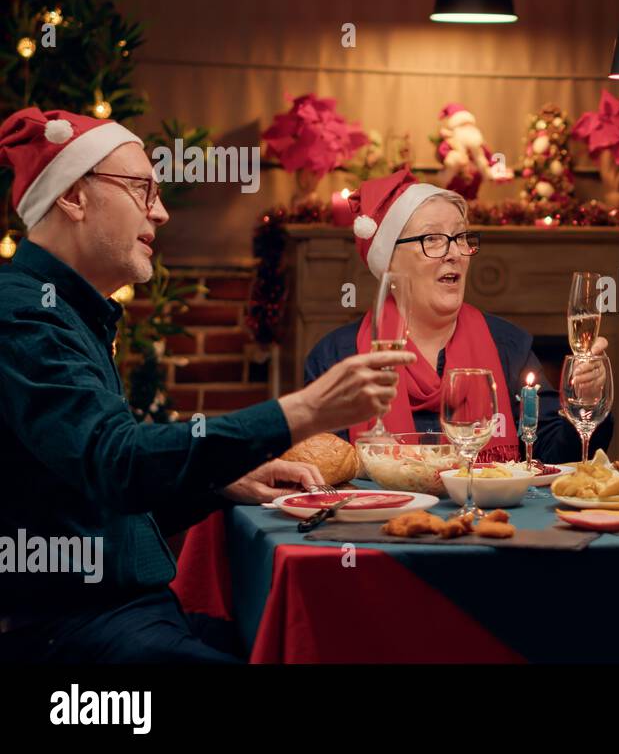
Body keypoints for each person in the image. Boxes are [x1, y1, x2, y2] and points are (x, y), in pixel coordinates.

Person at [0, 108, 412, 663]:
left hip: (121, 615)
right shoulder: (22, 315)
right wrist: (302, 411)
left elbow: (90, 498)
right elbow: (114, 461)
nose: (162, 212)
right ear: (73, 196)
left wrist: (222, 481)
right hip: (70, 634)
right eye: (142, 190)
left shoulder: (67, 311)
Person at [306, 169, 613, 463]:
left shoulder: (508, 346)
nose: (454, 253)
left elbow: (554, 457)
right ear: (389, 262)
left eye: (461, 237)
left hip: (488, 514)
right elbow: (324, 468)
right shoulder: (337, 357)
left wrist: (583, 402)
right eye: (433, 240)